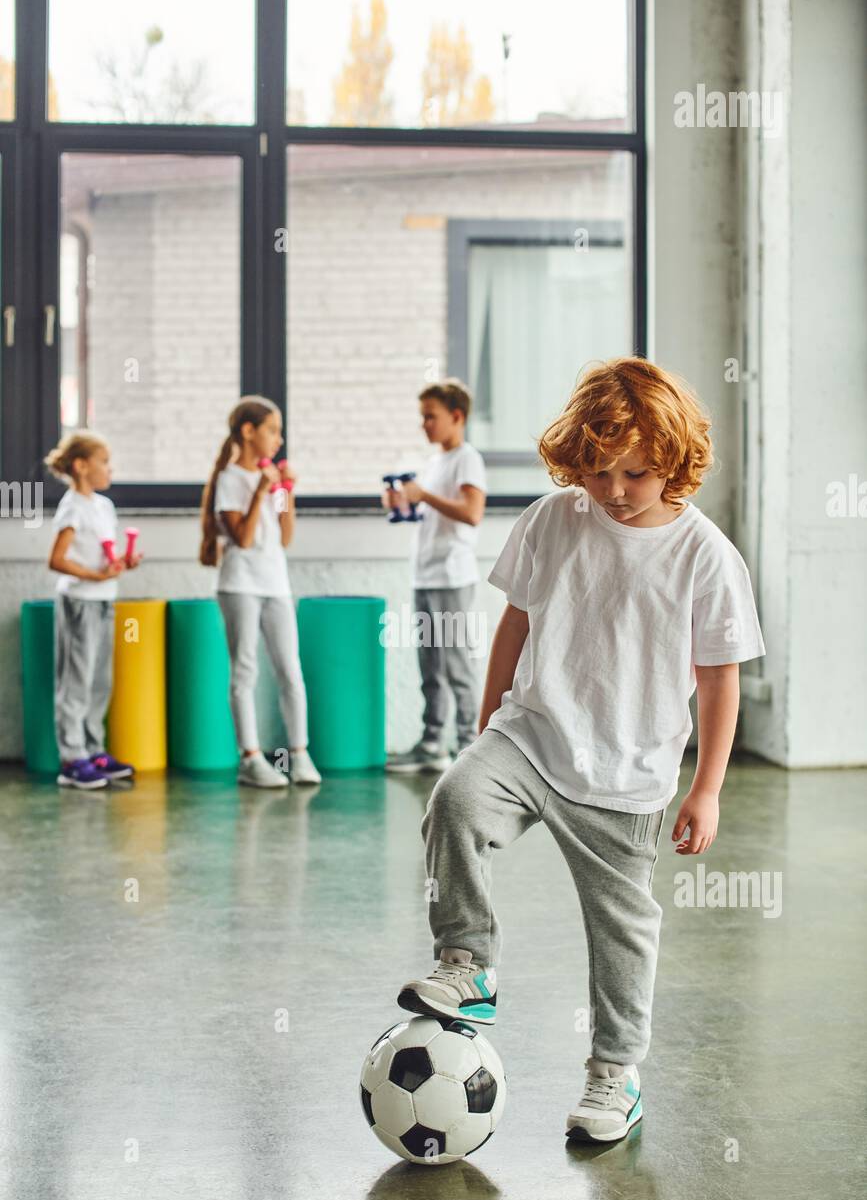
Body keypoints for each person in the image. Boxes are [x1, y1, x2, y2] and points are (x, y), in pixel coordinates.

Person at [396, 356, 766, 1143]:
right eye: (597, 472)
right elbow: (515, 622)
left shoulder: (705, 557)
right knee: (454, 800)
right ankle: (467, 962)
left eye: (634, 473)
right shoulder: (553, 518)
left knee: (621, 931)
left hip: (627, 774)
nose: (613, 491)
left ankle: (613, 1074)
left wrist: (705, 789)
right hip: (529, 735)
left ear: (675, 460)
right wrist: (487, 716)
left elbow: (718, 679)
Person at [199, 395, 320, 789]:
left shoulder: (270, 482)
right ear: (248, 432)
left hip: (275, 585)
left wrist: (286, 491)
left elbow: (284, 536)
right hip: (240, 586)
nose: (278, 440)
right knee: (245, 670)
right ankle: (250, 758)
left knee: (290, 669)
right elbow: (244, 538)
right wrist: (259, 491)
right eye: (272, 430)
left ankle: (298, 754)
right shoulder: (230, 480)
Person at [384, 378, 487, 774]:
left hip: (452, 577)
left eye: (431, 417)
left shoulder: (467, 458)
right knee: (430, 666)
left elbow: (471, 512)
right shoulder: (434, 463)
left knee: (456, 666)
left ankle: (469, 747)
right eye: (422, 417)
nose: (424, 424)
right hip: (426, 576)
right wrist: (403, 504)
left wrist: (423, 495)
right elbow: (431, 514)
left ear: (456, 416)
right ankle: (432, 744)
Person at [45, 430, 142, 790]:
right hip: (79, 602)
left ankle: (92, 749)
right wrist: (94, 575)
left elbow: (105, 555)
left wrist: (121, 564)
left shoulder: (104, 507)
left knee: (100, 679)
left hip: (104, 598)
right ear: (81, 466)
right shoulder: (72, 507)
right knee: (76, 681)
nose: (110, 470)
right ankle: (72, 759)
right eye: (104, 462)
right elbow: (56, 559)